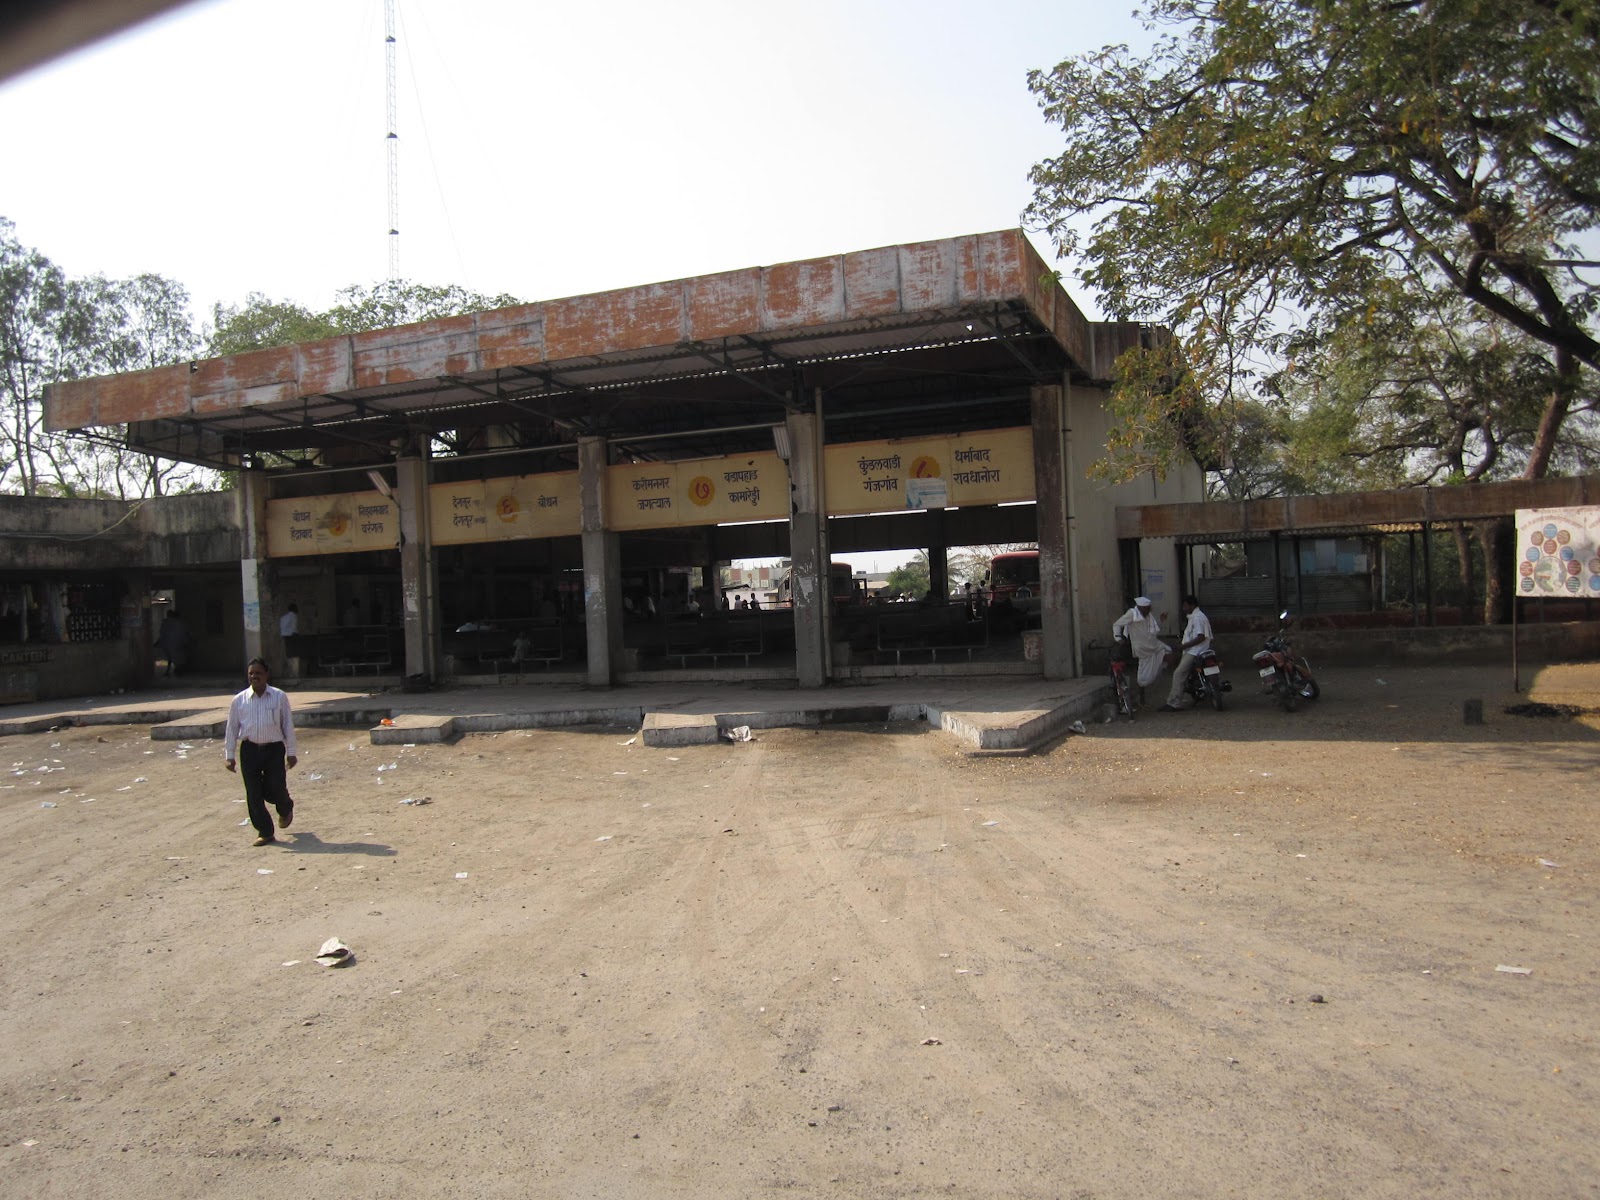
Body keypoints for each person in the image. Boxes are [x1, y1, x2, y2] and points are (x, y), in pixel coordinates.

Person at [223, 657, 299, 847]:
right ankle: (264, 831)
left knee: (275, 787)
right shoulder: (239, 700)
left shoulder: (279, 697)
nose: (254, 676)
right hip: (250, 750)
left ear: (266, 675)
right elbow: (232, 728)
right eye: (251, 673)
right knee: (253, 793)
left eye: (258, 673)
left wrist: (291, 752)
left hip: (273, 749)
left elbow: (287, 725)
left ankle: (285, 807)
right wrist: (229, 756)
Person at [1162, 595, 1214, 712]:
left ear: (1192, 605)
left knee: (1178, 674)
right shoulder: (1197, 617)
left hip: (1195, 651)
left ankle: (1174, 703)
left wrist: (1182, 646)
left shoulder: (1197, 618)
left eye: (1185, 605)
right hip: (1199, 650)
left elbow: (1200, 637)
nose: (1184, 608)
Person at [1112, 595, 1169, 694]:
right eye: (1147, 609)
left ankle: (1159, 676)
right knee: (1144, 677)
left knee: (1168, 652)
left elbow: (1152, 629)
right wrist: (1118, 638)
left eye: (1149, 609)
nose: (1149, 611)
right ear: (1140, 608)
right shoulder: (1132, 614)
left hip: (1153, 645)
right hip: (1142, 648)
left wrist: (1160, 620)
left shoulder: (1149, 616)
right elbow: (1117, 624)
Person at [154, 609, 189, 677]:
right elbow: (184, 632)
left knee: (171, 657)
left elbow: (162, 633)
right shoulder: (180, 623)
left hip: (169, 643)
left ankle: (174, 670)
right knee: (177, 657)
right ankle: (177, 670)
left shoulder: (166, 622)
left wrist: (159, 641)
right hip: (178, 642)